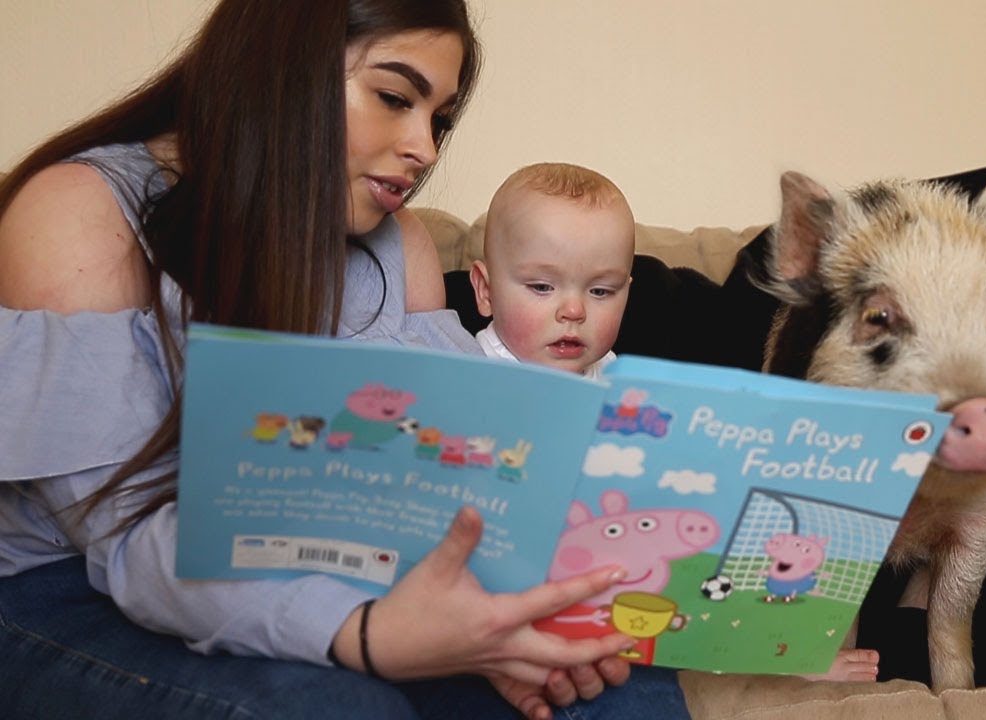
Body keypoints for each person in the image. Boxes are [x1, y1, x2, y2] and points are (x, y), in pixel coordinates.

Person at [0, 1, 690, 718]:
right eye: (394, 97)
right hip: (74, 590)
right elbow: (127, 544)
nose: (426, 148)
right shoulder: (80, 212)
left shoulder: (399, 243)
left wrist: (492, 618)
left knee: (613, 686)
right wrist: (365, 633)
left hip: (336, 569)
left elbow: (450, 477)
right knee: (334, 706)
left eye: (440, 119)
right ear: (281, 71)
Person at [469, 163, 634, 378]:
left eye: (600, 291)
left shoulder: (613, 375)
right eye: (542, 287)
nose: (574, 311)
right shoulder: (472, 372)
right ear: (486, 291)